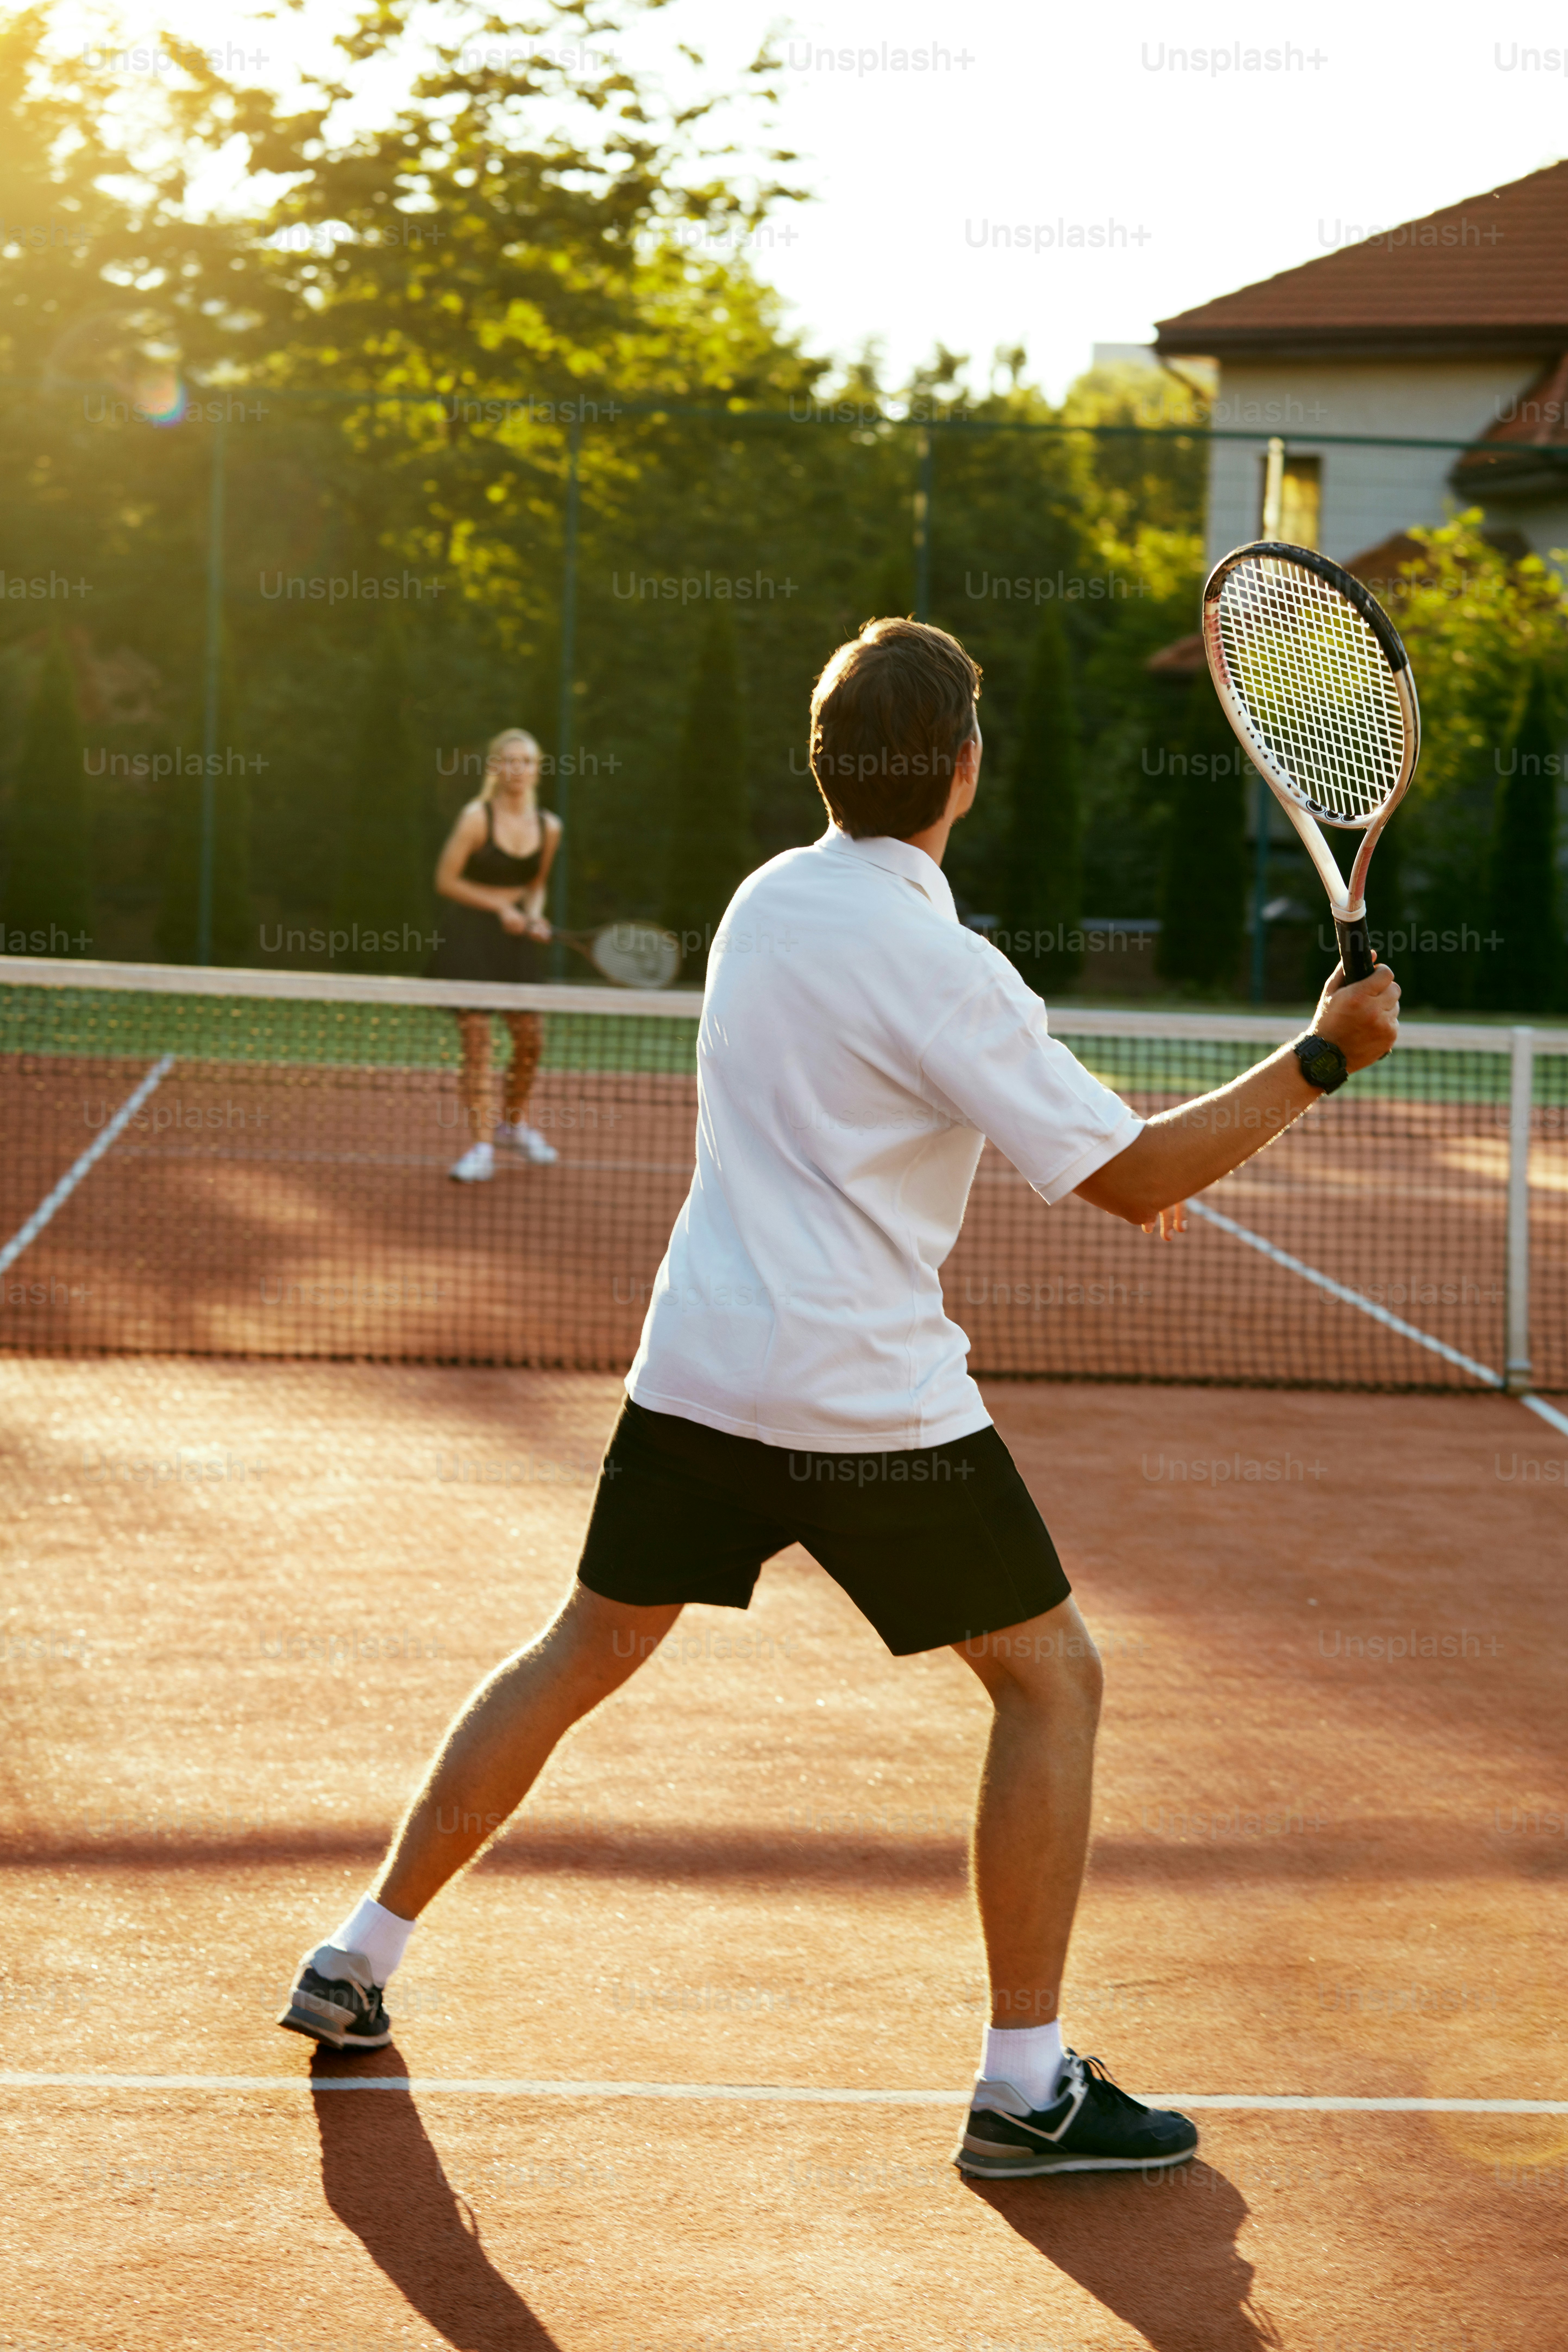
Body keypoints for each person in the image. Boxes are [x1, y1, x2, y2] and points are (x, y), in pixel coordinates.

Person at [280, 619, 1399, 2180]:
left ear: (819, 761)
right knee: (1049, 1683)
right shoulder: (945, 968)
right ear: (963, 769)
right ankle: (1024, 2085)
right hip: (866, 1403)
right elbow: (1133, 1182)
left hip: (700, 1370)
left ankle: (357, 1955)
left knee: (582, 1645)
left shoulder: (759, 902)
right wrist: (1319, 1059)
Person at [429, 727, 561, 1182]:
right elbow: (446, 881)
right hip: (469, 939)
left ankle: (512, 1124)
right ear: (495, 768)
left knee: (531, 1040)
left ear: (536, 768)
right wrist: (501, 907)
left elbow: (536, 886)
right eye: (509, 761)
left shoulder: (550, 827)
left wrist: (534, 917)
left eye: (526, 761)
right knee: (479, 1045)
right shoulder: (475, 818)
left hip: (515, 942)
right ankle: (481, 1147)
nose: (517, 770)